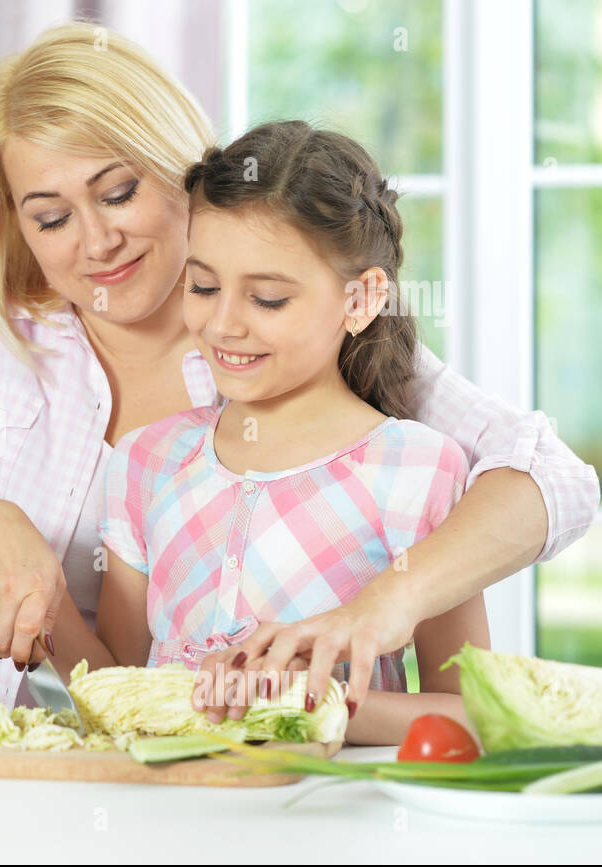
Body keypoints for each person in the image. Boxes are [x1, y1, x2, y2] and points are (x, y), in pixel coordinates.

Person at [0, 22, 600, 712]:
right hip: (50, 764)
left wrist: (383, 605)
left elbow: (556, 479)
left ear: (178, 167)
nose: (96, 241)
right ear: (16, 221)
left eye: (120, 191)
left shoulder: (307, 336)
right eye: (52, 216)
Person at [80, 120, 489, 745]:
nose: (222, 325)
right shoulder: (147, 460)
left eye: (267, 299)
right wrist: (43, 601)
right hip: (161, 821)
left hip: (332, 824)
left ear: (360, 300)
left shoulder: (416, 469)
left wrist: (308, 704)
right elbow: (116, 686)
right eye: (204, 286)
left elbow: (472, 718)